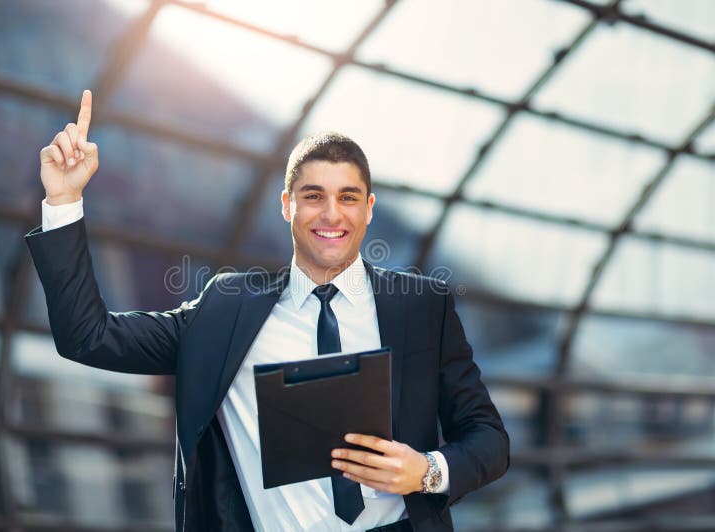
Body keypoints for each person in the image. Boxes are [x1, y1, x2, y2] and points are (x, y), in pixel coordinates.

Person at [26, 90, 509, 532]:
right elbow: (87, 336)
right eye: (313, 196)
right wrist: (63, 200)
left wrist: (425, 472)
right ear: (286, 205)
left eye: (348, 197)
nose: (331, 214)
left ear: (368, 209)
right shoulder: (226, 311)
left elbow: (488, 439)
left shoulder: (422, 306)